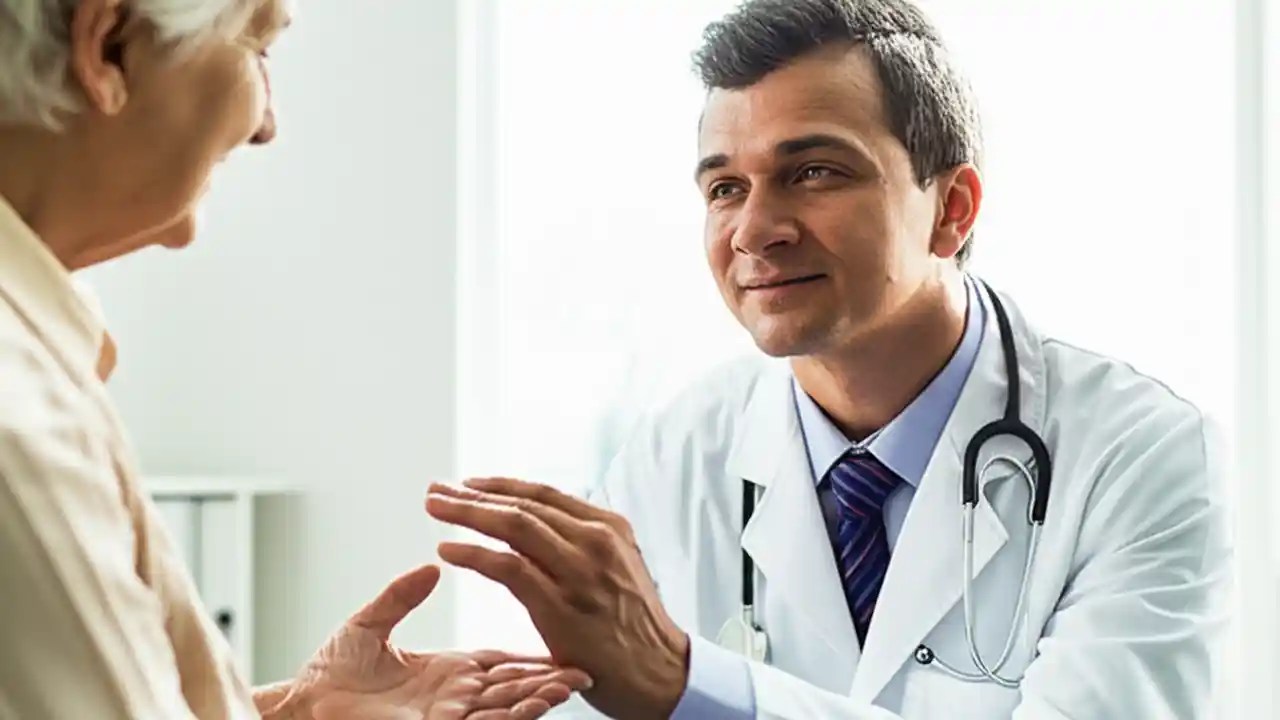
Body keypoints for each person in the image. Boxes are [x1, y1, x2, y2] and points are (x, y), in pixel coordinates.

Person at [424, 0, 1234, 717]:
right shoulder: (676, 457)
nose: (754, 231)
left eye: (813, 173)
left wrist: (695, 688)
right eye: (725, 189)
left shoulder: (1139, 456)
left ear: (951, 210)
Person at [0, 1, 590, 718]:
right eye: (258, 50)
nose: (266, 125)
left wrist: (299, 711)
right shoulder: (22, 424)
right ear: (110, 46)